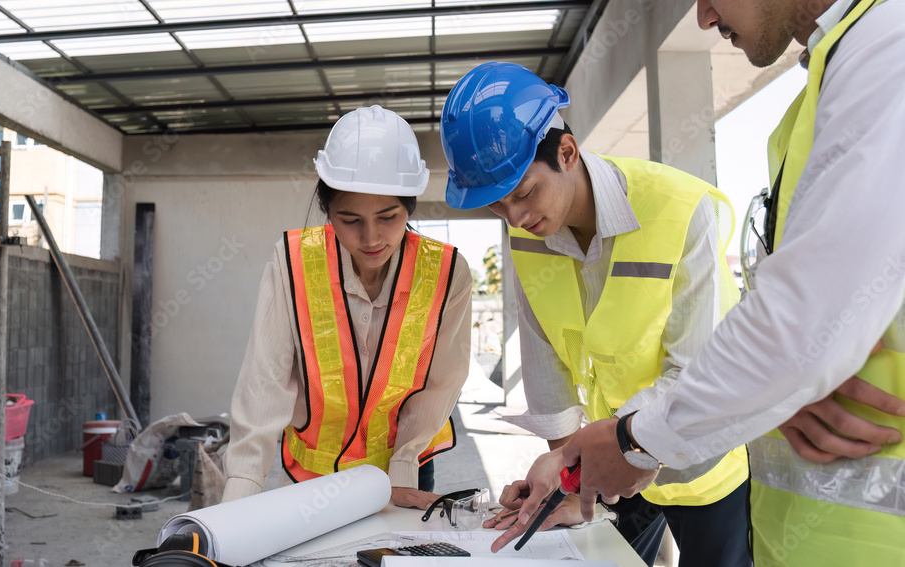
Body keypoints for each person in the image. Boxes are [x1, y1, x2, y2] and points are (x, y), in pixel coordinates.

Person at [498, 1, 905, 565]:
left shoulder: (885, 49)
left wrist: (628, 440)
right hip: (760, 499)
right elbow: (803, 340)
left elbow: (802, 330)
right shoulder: (823, 85)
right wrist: (575, 463)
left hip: (711, 470)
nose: (703, 18)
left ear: (566, 154)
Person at [439, 61, 751, 567]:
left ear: (567, 152)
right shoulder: (529, 237)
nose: (515, 218)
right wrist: (566, 476)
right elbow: (546, 366)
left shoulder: (682, 210)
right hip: (608, 461)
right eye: (497, 205)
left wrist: (586, 456)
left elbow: (697, 372)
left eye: (523, 194)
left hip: (697, 465)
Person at [222, 105, 473, 510]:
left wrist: (402, 472)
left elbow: (442, 381)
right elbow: (264, 382)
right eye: (350, 219)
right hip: (316, 471)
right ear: (327, 211)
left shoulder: (447, 273)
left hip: (406, 462)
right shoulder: (292, 263)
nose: (371, 237)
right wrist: (237, 500)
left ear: (410, 206)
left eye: (388, 216)